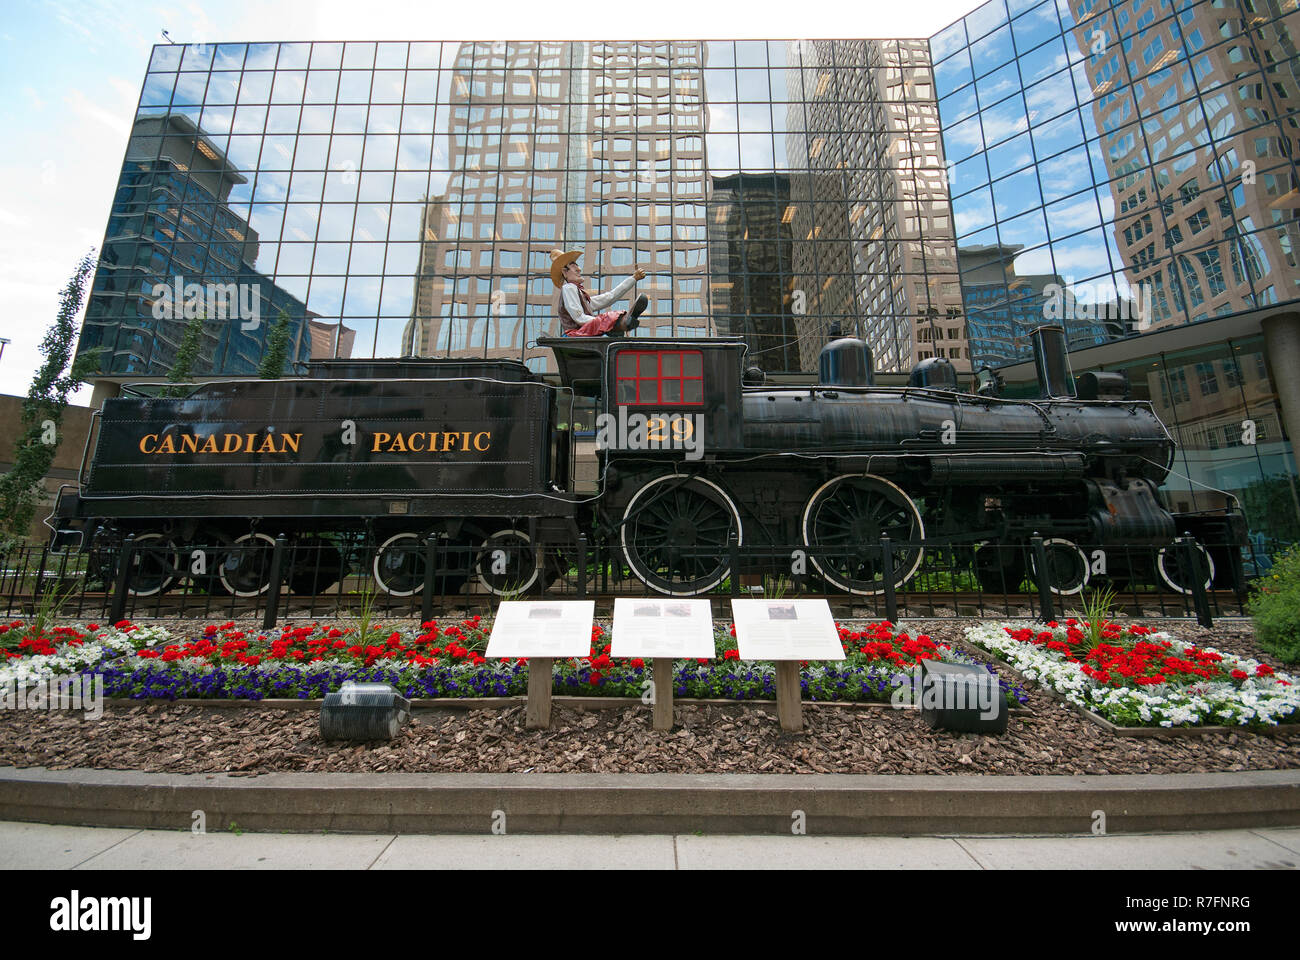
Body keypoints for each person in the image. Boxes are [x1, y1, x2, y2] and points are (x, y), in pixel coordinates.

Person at [550, 249, 649, 337]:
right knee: (608, 318)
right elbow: (579, 318)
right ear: (565, 272)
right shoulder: (569, 288)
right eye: (573, 266)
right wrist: (603, 323)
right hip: (575, 334)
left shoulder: (582, 295)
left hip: (584, 332)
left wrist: (633, 279)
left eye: (577, 265)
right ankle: (625, 321)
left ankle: (625, 321)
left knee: (609, 321)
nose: (579, 269)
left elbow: (609, 297)